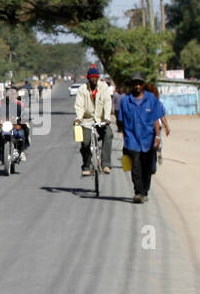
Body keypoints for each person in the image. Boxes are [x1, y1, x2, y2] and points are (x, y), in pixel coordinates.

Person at [119, 72, 166, 204]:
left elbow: (156, 119)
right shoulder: (125, 102)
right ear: (132, 85)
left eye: (140, 83)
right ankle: (138, 192)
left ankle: (145, 191)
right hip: (132, 140)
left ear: (143, 84)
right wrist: (125, 139)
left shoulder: (151, 99)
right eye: (135, 83)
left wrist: (157, 137)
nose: (137, 86)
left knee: (147, 168)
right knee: (135, 167)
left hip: (148, 139)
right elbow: (121, 122)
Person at [73, 66, 113, 176]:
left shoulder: (104, 87)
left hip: (101, 119)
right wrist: (79, 118)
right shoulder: (82, 89)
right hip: (87, 120)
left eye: (95, 78)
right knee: (85, 142)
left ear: (98, 78)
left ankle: (106, 164)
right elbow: (79, 105)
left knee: (108, 135)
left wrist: (107, 118)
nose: (93, 80)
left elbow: (107, 102)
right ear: (88, 78)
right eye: (91, 78)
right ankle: (86, 166)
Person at [0, 86, 30, 158]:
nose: (8, 96)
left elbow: (23, 113)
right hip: (3, 125)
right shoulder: (0, 104)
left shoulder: (18, 104)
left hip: (15, 125)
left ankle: (23, 149)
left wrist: (24, 118)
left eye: (10, 94)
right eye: (6, 95)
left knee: (23, 132)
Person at [144, 81, 170, 173]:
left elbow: (162, 116)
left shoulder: (157, 103)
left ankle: (153, 163)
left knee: (156, 145)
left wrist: (166, 126)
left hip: (155, 127)